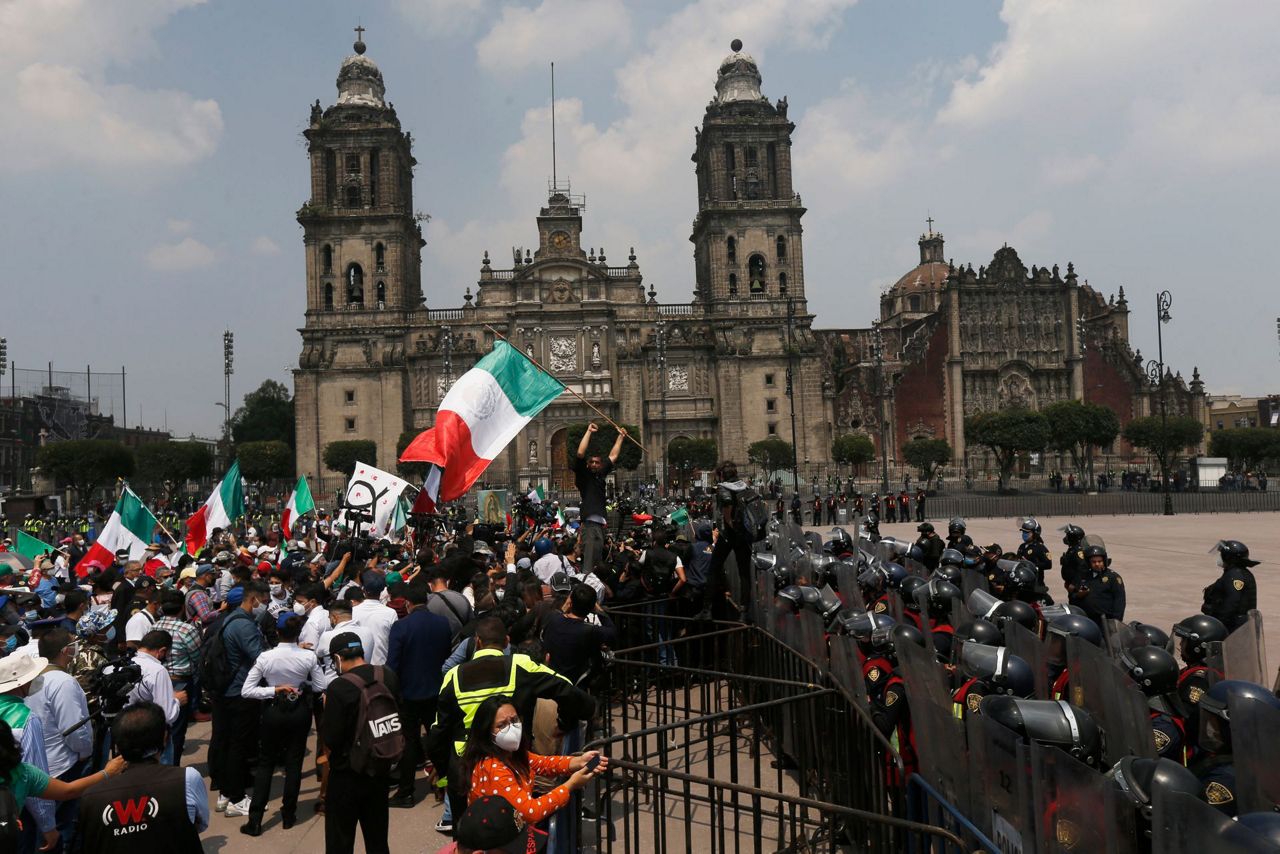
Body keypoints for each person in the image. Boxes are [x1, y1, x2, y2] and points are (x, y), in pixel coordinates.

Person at [429, 617, 595, 836]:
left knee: (469, 837)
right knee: (512, 834)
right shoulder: (521, 665)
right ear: (507, 641)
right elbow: (572, 695)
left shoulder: (453, 675)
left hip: (464, 770)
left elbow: (437, 733)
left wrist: (446, 772)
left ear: (477, 642)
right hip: (511, 764)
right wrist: (565, 721)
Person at [238, 614, 329, 835]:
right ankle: (289, 814)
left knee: (266, 763)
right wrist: (301, 684)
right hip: (299, 710)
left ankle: (256, 819)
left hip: (273, 710)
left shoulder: (266, 657)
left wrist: (274, 689)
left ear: (277, 632)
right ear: (298, 634)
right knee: (294, 763)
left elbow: (247, 690)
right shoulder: (307, 657)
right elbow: (319, 686)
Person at [78, 702, 206, 852]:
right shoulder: (187, 779)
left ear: (118, 745)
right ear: (164, 737)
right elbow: (200, 824)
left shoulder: (91, 797)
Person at [462, 695, 605, 825]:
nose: (511, 728)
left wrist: (579, 761)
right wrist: (571, 784)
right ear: (486, 732)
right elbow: (532, 812)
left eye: (514, 720)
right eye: (502, 725)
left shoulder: (511, 754)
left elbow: (543, 763)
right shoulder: (493, 768)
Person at [320, 632, 401, 854]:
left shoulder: (339, 687)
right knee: (377, 839)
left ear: (337, 658)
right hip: (380, 767)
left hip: (347, 773)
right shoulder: (387, 675)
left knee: (340, 840)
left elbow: (332, 738)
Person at [387, 583, 454, 808]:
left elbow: (392, 665)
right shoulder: (442, 624)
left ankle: (406, 791)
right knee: (438, 742)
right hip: (436, 691)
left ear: (407, 603)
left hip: (407, 694)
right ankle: (444, 786)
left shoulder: (400, 627)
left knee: (409, 743)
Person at [25, 629, 93, 850]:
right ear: (66, 651)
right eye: (73, 645)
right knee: (63, 827)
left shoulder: (33, 679)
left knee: (45, 830)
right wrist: (85, 754)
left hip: (40, 765)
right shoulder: (63, 682)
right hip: (64, 766)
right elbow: (74, 729)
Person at [211, 581, 267, 818]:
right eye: (261, 601)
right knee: (238, 744)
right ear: (252, 600)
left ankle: (226, 791)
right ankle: (236, 798)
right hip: (240, 692)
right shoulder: (244, 626)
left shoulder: (230, 619)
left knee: (227, 741)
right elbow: (261, 658)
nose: (263, 606)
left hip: (226, 690)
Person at [152, 591, 201, 766]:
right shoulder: (187, 629)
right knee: (177, 730)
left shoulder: (154, 626)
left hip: (157, 680)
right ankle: (172, 770)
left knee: (160, 727)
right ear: (182, 608)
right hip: (180, 682)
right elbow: (197, 657)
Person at [574, 423, 625, 580]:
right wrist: (588, 431)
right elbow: (581, 453)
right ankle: (587, 589)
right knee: (589, 565)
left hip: (599, 527)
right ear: (588, 465)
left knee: (598, 563)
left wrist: (621, 436)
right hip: (590, 527)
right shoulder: (584, 477)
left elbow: (613, 456)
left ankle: (595, 589)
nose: (595, 464)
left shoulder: (601, 475)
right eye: (592, 462)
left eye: (597, 462)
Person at [704, 461, 754, 622]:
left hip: (729, 534)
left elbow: (726, 504)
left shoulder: (723, 487)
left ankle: (707, 610)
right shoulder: (745, 486)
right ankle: (744, 612)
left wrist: (730, 524)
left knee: (713, 568)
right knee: (744, 573)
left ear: (721, 474)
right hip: (744, 534)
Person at [541, 584, 616, 687]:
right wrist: (598, 610)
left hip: (552, 682)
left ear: (570, 602)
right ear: (591, 608)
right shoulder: (590, 631)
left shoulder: (553, 620)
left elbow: (553, 620)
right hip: (576, 687)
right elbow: (612, 632)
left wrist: (566, 606)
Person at [1201, 540, 1258, 631]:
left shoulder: (1235, 575)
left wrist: (1219, 623)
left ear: (1228, 557)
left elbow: (1232, 601)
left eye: (1221, 555)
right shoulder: (1238, 572)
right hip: (1236, 625)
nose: (1219, 558)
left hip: (1232, 627)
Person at [1066, 544, 1126, 625]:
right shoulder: (1082, 576)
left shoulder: (1113, 578)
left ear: (1104, 561)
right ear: (1088, 563)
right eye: (1093, 562)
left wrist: (1116, 622)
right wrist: (1078, 595)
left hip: (1105, 622)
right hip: (1085, 620)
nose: (1097, 564)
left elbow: (1119, 602)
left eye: (1099, 561)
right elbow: (1071, 597)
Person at [347, 584, 397, 666]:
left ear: (364, 592)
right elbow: (394, 642)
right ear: (381, 592)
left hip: (358, 666)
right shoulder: (390, 613)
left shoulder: (353, 611)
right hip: (381, 665)